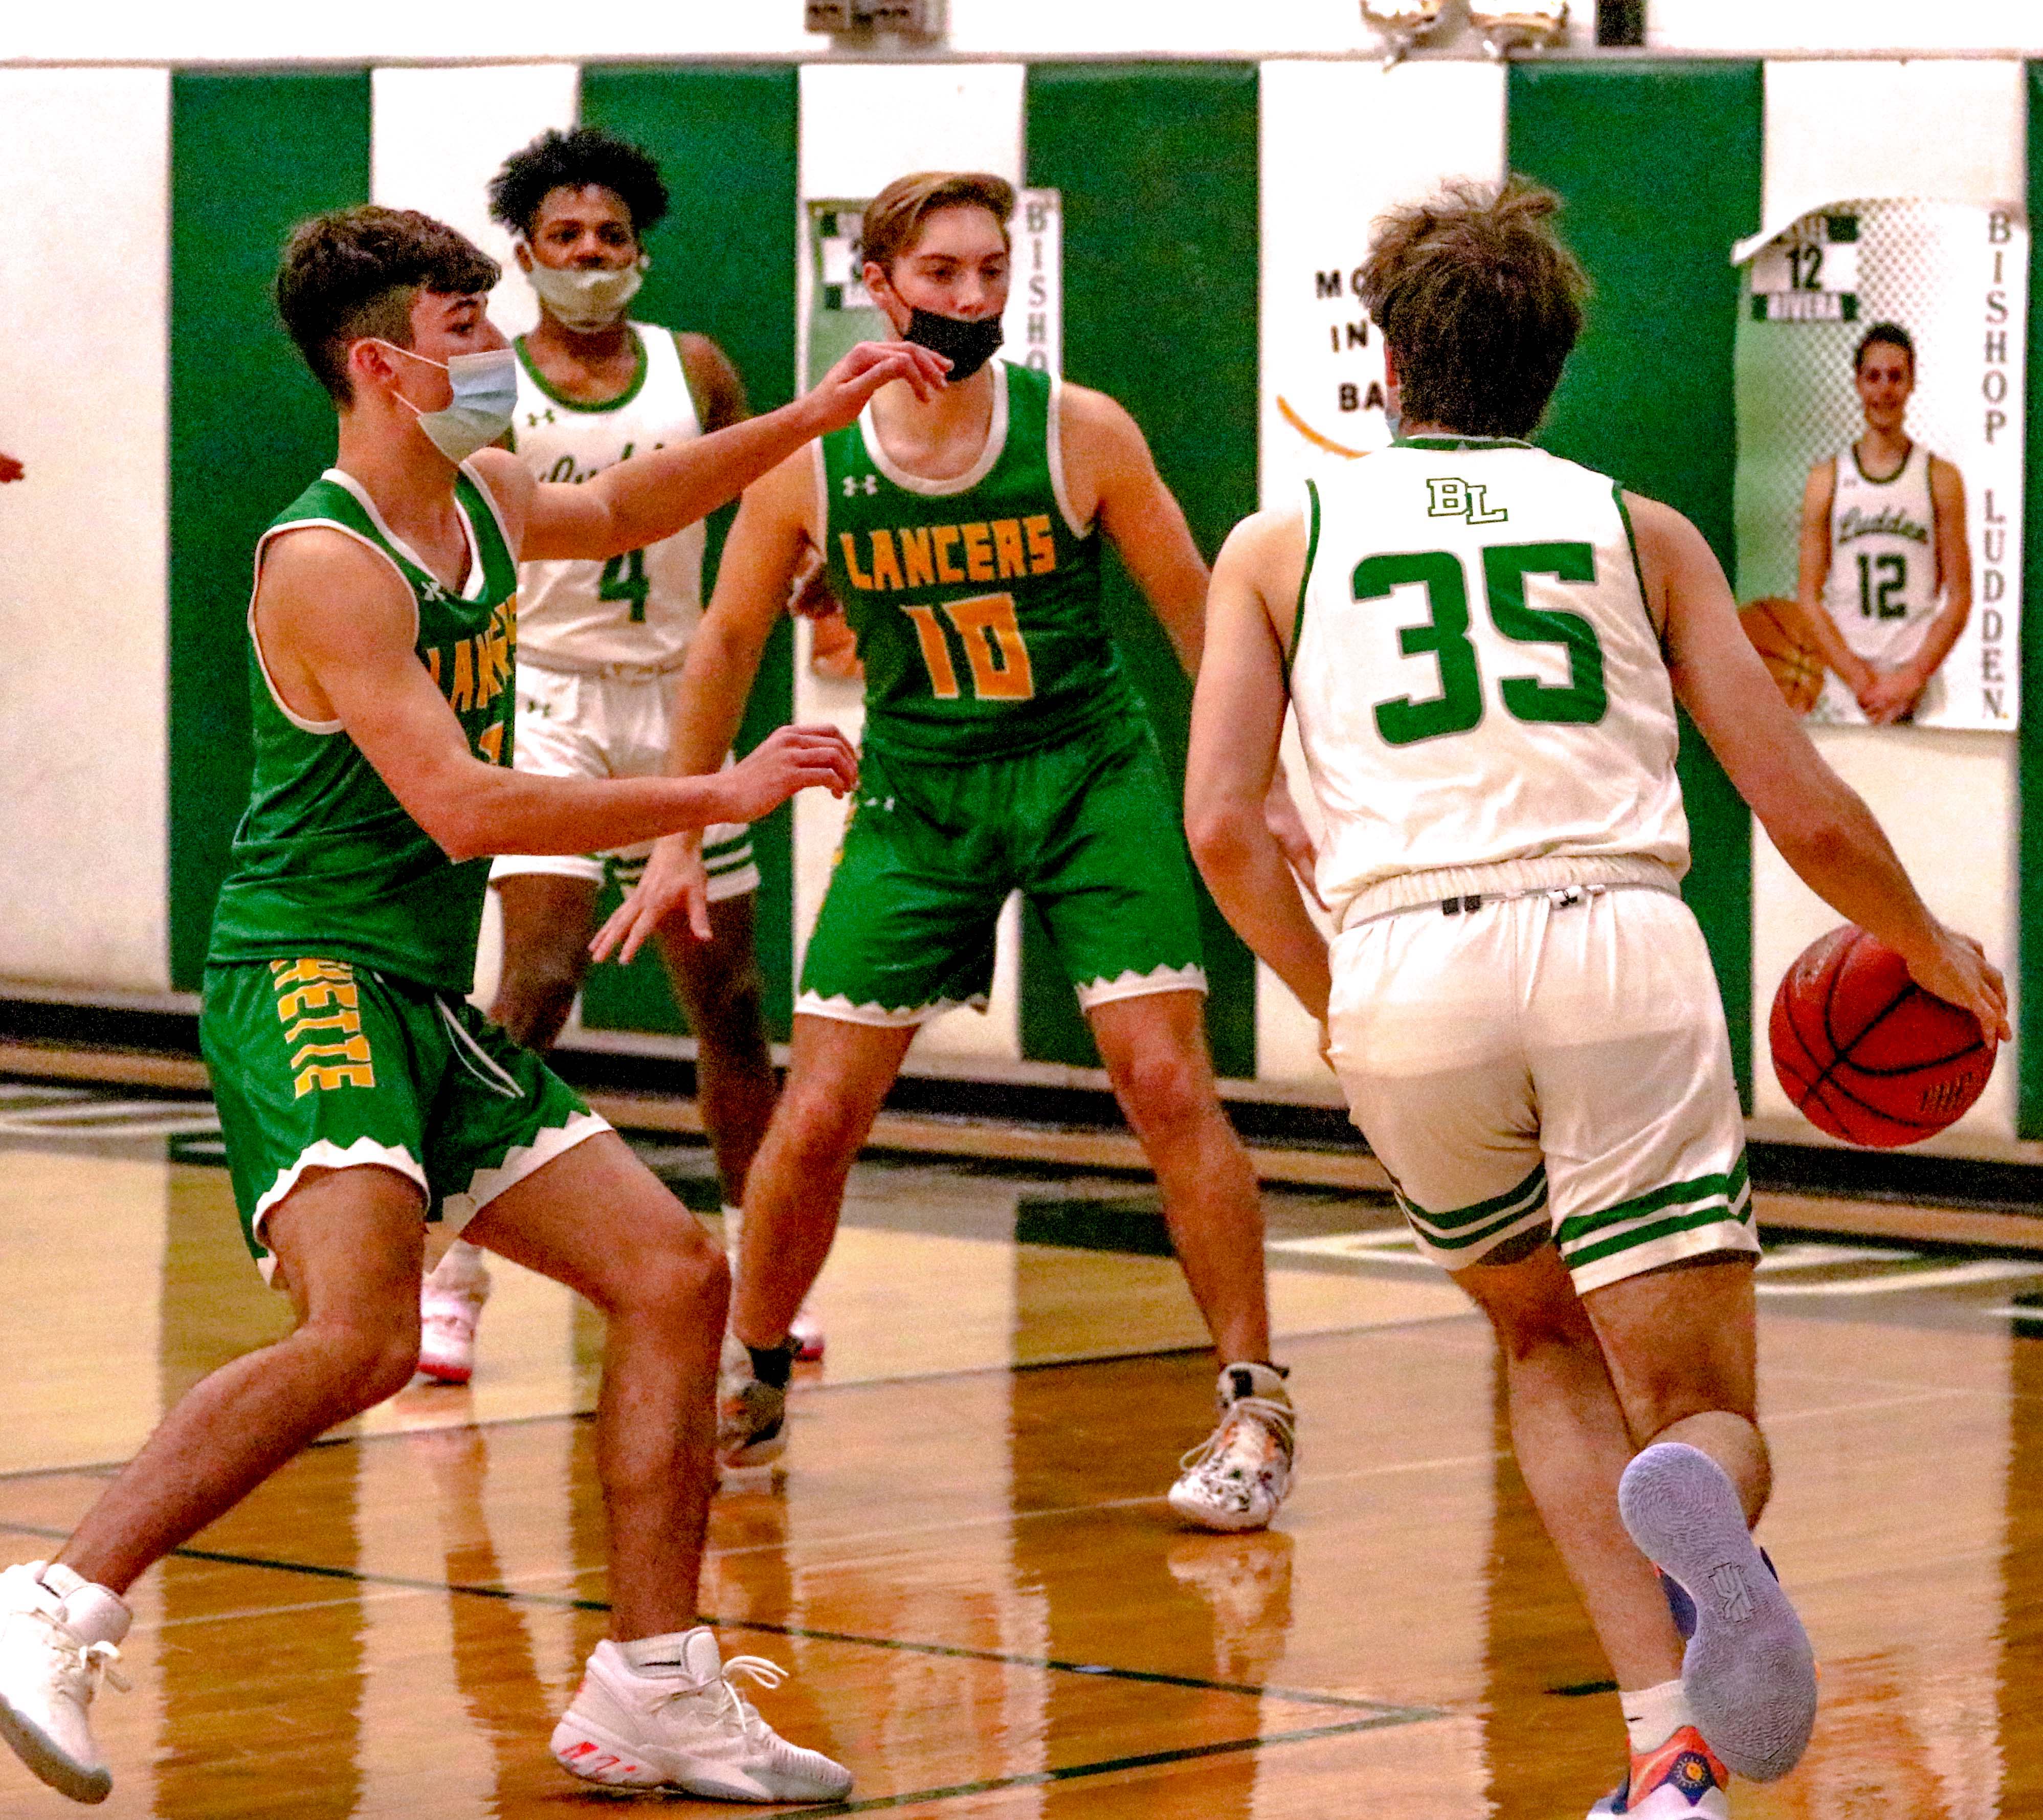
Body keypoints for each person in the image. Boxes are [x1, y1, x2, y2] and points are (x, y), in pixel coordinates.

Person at [0, 203, 946, 1807]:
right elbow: (461, 808)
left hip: (413, 986)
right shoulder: (324, 560)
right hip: (305, 969)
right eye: (465, 328)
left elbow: (636, 495)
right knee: (361, 1332)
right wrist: (707, 788)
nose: (501, 353)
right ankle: (55, 1600)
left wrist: (816, 414)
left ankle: (651, 1684)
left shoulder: (485, 500)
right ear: (378, 362)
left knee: (666, 1274)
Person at [1183, 179, 2007, 1818]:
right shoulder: (1639, 532)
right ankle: (1695, 1489)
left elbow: (1218, 821)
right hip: (1614, 945)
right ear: (1552, 365)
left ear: (1389, 359)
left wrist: (1335, 999)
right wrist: (1930, 950)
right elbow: (1802, 809)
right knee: (1692, 1398)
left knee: (1538, 1335)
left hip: (1407, 966)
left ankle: (1665, 1751)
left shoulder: (1279, 542)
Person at [598, 170, 1307, 1530]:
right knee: (814, 1120)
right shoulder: (812, 461)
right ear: (880, 282)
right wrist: (683, 827)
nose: (972, 297)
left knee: (1162, 1076)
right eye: (943, 273)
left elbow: (1199, 611)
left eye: (993, 272)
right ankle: (752, 1376)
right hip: (918, 788)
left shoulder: (1079, 431)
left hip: (1087, 771)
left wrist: (1260, 781)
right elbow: (730, 638)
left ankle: (1253, 1397)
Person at [415, 125, 819, 1385]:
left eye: (611, 235)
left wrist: (818, 578)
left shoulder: (692, 368)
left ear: (638, 251)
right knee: (535, 977)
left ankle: (765, 1272)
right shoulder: (494, 385)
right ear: (526, 257)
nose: (591, 253)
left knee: (731, 997)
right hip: (547, 697)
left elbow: (770, 492)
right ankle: (449, 1269)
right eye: (566, 236)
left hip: (679, 696)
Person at [1794, 321, 1970, 724]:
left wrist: (1912, 677)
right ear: (1857, 383)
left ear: (1912, 384)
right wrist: (1861, 682)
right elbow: (1808, 598)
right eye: (1873, 377)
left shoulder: (1940, 478)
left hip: (1919, 693)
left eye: (1896, 377)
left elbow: (1959, 597)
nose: (1884, 390)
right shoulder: (1826, 480)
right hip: (1849, 693)